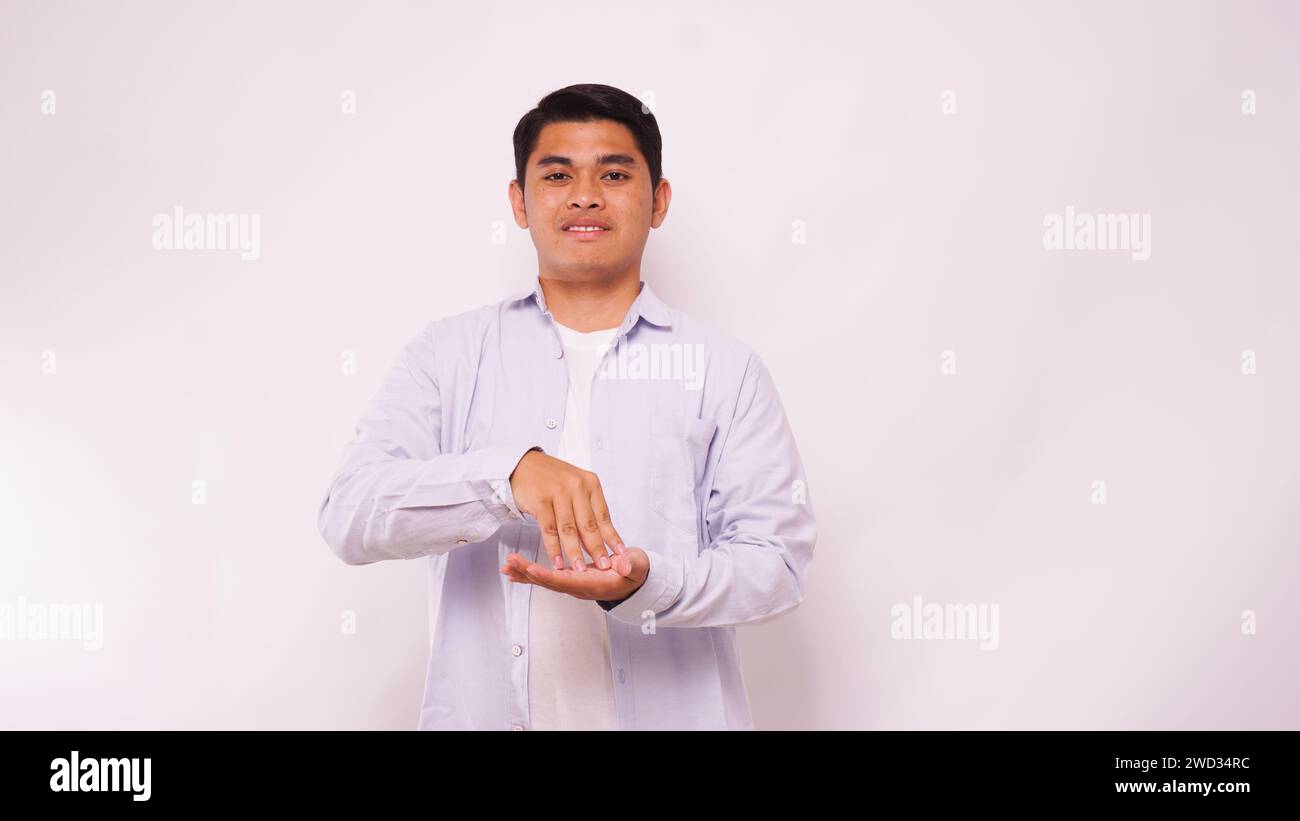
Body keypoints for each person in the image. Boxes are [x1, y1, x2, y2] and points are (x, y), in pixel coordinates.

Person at [317, 83, 817, 730]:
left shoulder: (726, 370)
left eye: (614, 173)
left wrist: (647, 584)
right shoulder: (447, 355)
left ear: (658, 200)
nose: (585, 196)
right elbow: (349, 513)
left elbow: (776, 565)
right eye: (557, 175)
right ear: (519, 202)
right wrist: (507, 475)